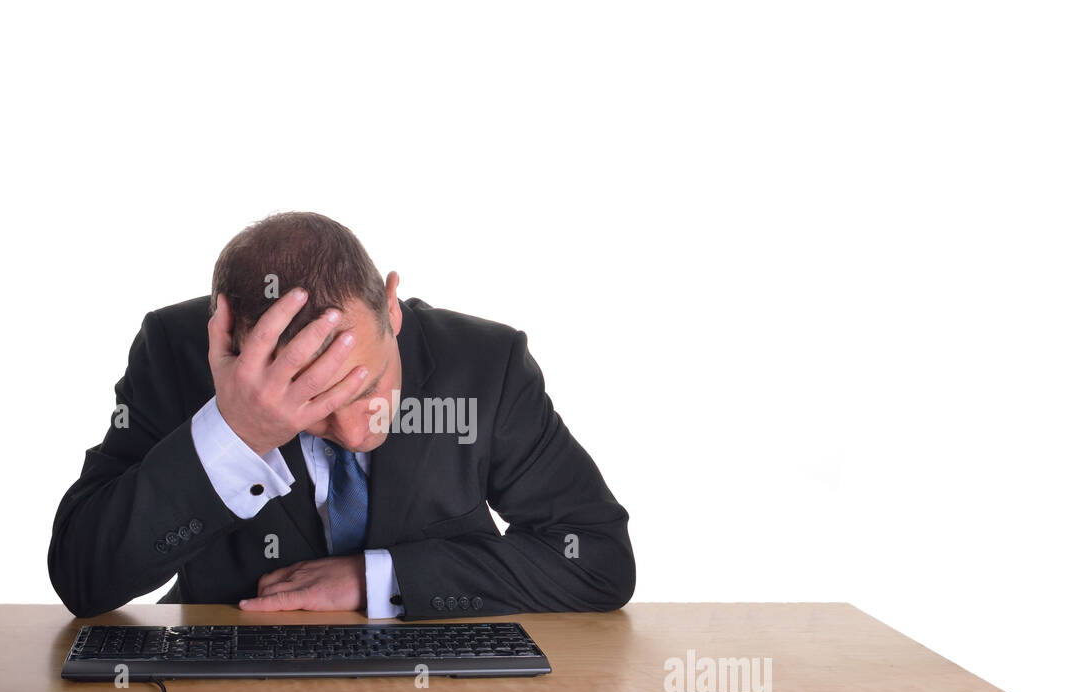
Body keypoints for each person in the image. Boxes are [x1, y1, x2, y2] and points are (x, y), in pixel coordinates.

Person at [48, 212, 635, 619]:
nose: (356, 433)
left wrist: (376, 579)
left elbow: (597, 557)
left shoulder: (487, 364)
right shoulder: (176, 353)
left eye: (369, 385)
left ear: (391, 308)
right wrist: (237, 432)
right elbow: (84, 577)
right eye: (315, 408)